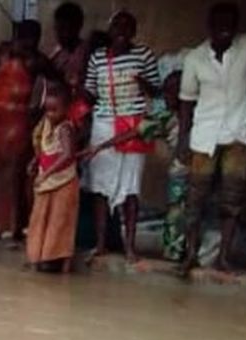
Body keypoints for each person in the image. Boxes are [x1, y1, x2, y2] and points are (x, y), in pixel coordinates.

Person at [177, 2, 246, 275]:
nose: (224, 29)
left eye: (229, 24)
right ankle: (191, 254)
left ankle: (223, 258)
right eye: (219, 24)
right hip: (204, 137)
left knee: (232, 201)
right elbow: (186, 101)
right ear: (209, 27)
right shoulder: (195, 58)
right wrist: (183, 139)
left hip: (238, 136)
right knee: (195, 200)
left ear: (236, 26)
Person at [88, 65, 187, 262]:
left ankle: (185, 252)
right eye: (165, 90)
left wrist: (101, 146)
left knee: (185, 211)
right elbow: (135, 131)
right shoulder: (164, 113)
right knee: (178, 211)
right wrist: (101, 146)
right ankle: (177, 254)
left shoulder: (193, 112)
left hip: (195, 165)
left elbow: (136, 131)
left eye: (171, 91)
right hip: (182, 167)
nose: (166, 95)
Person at [84, 10, 160, 263]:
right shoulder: (97, 57)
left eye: (127, 27)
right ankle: (101, 243)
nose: (122, 32)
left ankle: (129, 247)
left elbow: (157, 91)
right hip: (104, 124)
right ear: (110, 30)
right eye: (117, 27)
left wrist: (142, 83)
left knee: (131, 189)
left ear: (134, 32)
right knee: (99, 188)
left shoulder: (144, 55)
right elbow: (90, 93)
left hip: (135, 124)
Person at [0, 20, 58, 245]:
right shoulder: (2, 53)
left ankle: (12, 227)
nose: (29, 43)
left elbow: (56, 80)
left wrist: (41, 111)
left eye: (32, 39)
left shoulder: (35, 60)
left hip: (16, 123)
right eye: (25, 38)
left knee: (15, 177)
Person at [27, 84, 81, 273]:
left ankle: (62, 264)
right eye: (47, 110)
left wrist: (47, 173)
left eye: (54, 110)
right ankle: (37, 258)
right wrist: (35, 161)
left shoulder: (66, 129)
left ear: (66, 109)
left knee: (61, 222)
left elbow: (67, 155)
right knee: (39, 220)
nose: (50, 114)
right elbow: (43, 148)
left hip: (63, 180)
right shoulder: (47, 124)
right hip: (46, 179)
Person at [51, 2, 90, 91]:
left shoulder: (87, 53)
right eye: (58, 29)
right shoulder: (57, 55)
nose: (61, 34)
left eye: (65, 29)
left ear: (78, 27)